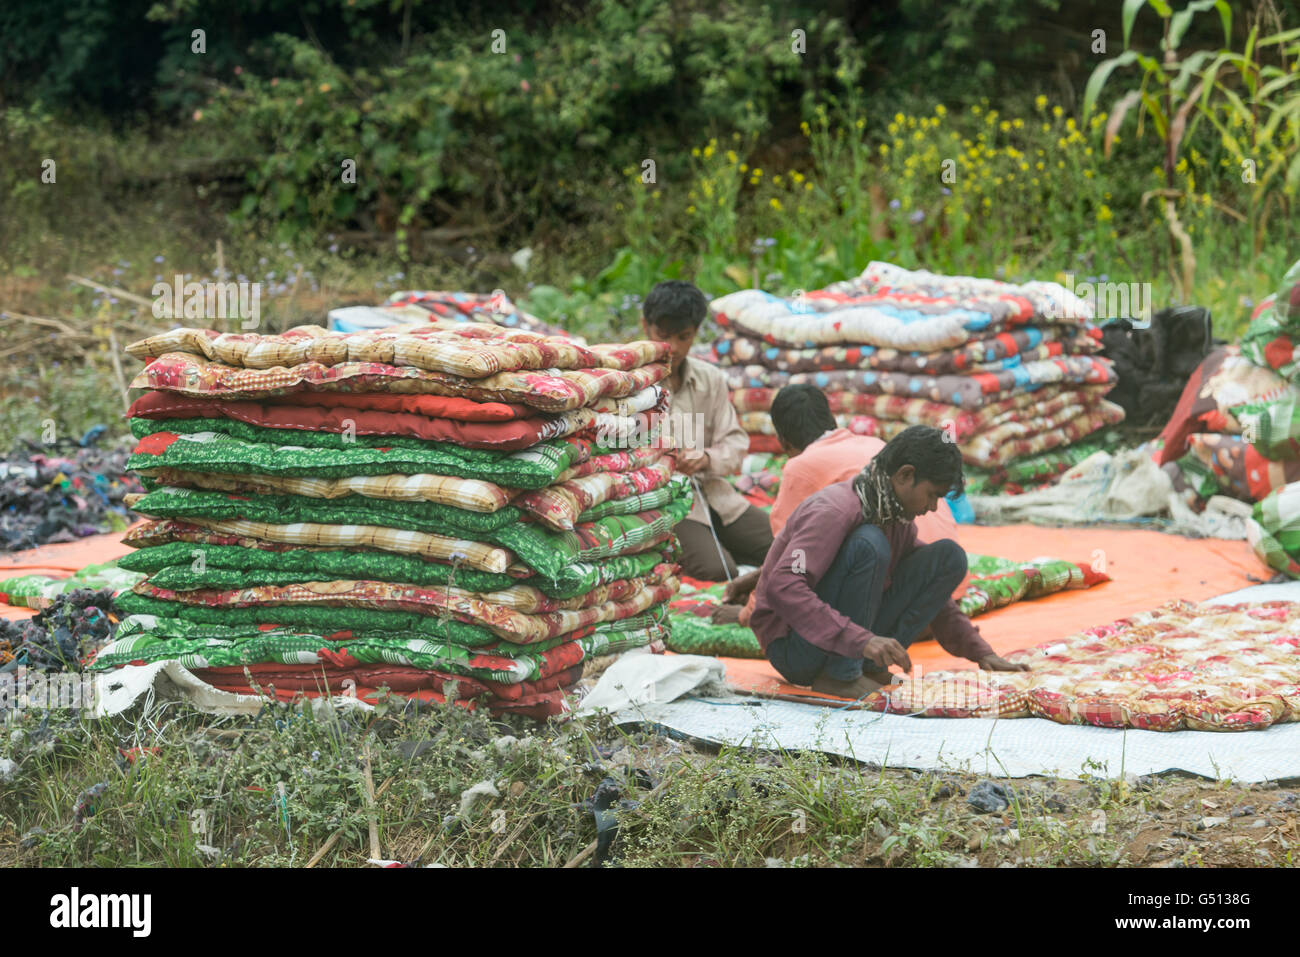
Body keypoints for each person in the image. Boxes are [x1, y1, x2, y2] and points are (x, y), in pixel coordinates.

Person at [748, 425, 1026, 699]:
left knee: (948, 558)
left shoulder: (895, 518)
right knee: (869, 544)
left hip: (844, 641)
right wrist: (860, 640)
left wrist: (982, 652)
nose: (931, 507)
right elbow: (784, 585)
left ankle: (868, 666)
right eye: (932, 495)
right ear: (906, 475)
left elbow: (929, 589)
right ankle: (840, 675)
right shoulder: (833, 510)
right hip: (793, 648)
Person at [714, 384, 958, 623]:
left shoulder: (801, 467)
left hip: (886, 606)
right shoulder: (874, 444)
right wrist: (756, 578)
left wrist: (750, 613)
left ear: (784, 442)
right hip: (948, 592)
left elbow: (786, 560)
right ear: (832, 421)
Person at [641, 280, 773, 580]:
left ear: (696, 333)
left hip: (714, 493)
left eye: (683, 337)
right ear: (645, 327)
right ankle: (720, 552)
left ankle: (727, 546)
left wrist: (706, 458)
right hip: (666, 503)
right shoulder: (630, 382)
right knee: (719, 570)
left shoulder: (710, 378)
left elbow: (735, 443)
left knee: (785, 548)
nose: (672, 347)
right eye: (663, 336)